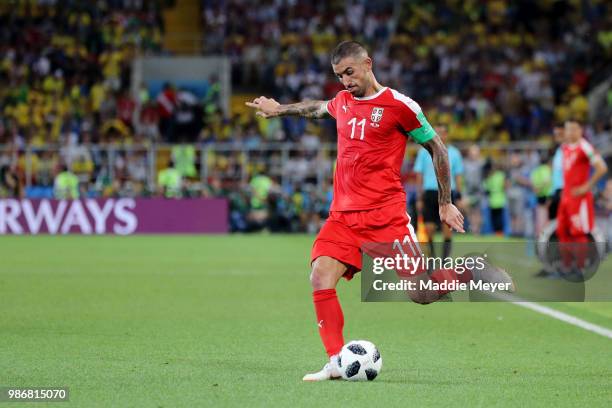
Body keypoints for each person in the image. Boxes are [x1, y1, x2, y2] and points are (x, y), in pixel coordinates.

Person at [245, 41, 514, 382]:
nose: (345, 81)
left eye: (350, 72)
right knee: (319, 276)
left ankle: (471, 270)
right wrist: (279, 108)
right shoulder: (342, 102)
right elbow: (316, 108)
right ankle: (336, 362)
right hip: (342, 217)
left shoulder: (399, 106)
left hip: (385, 218)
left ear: (368, 64)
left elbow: (438, 149)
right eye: (339, 75)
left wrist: (445, 202)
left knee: (421, 293)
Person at [556, 119, 608, 276]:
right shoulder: (565, 146)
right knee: (562, 231)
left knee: (578, 233)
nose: (570, 132)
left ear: (580, 130)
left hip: (579, 198)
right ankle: (566, 267)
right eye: (568, 129)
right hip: (566, 195)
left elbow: (602, 168)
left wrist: (587, 186)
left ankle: (580, 268)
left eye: (574, 129)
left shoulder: (585, 147)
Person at [413, 124, 464, 258]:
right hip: (429, 193)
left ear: (446, 135)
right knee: (429, 229)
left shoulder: (454, 153)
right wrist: (419, 197)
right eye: (437, 132)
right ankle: (432, 258)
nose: (439, 135)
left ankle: (444, 261)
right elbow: (419, 175)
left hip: (447, 194)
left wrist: (459, 195)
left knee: (447, 229)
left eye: (442, 132)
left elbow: (458, 176)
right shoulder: (423, 152)